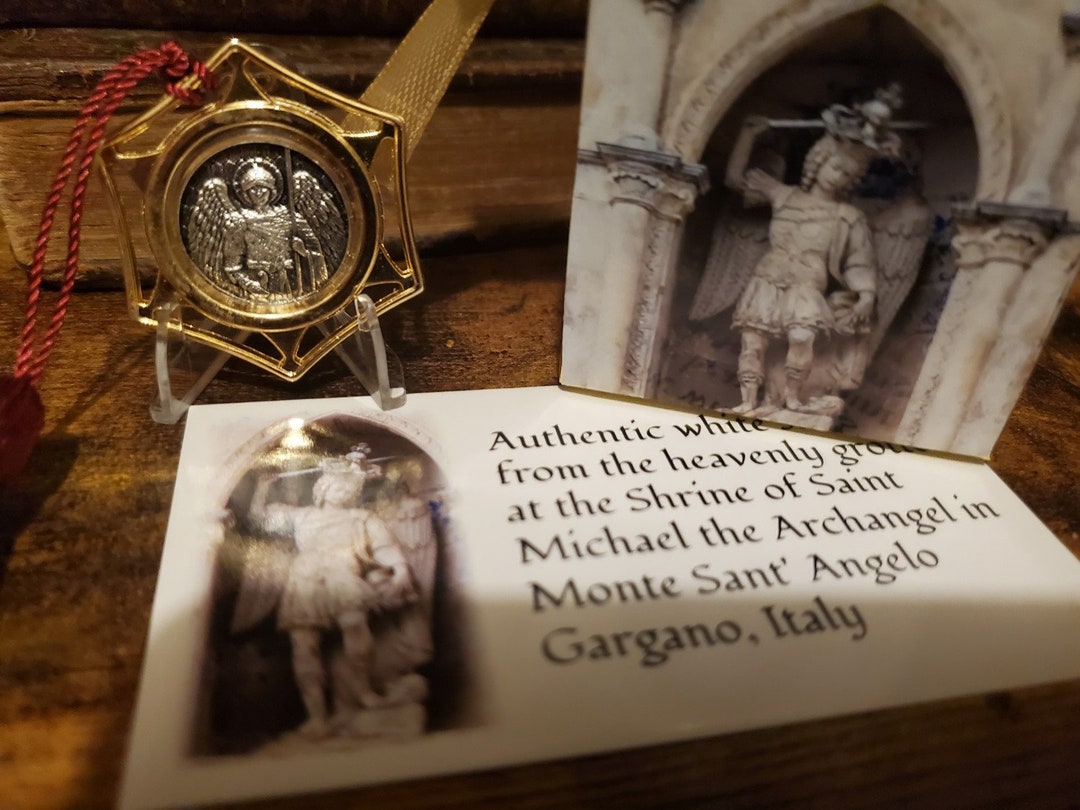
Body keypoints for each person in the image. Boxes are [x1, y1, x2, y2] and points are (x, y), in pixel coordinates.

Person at [249, 447, 418, 739]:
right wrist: (263, 487)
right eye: (337, 485)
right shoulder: (301, 516)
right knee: (304, 646)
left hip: (343, 575)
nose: (343, 491)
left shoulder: (360, 518)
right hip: (305, 577)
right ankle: (317, 717)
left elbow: (385, 548)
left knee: (354, 625)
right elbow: (260, 519)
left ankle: (364, 693)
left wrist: (401, 570)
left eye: (349, 487)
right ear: (323, 487)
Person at [731, 134, 877, 413]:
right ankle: (747, 401)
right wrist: (746, 136)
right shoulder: (783, 194)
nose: (838, 177)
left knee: (801, 338)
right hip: (768, 278)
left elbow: (860, 258)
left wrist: (866, 295)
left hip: (808, 283)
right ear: (818, 163)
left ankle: (792, 398)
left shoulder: (846, 215)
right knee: (753, 344)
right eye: (835, 167)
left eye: (847, 175)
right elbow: (736, 181)